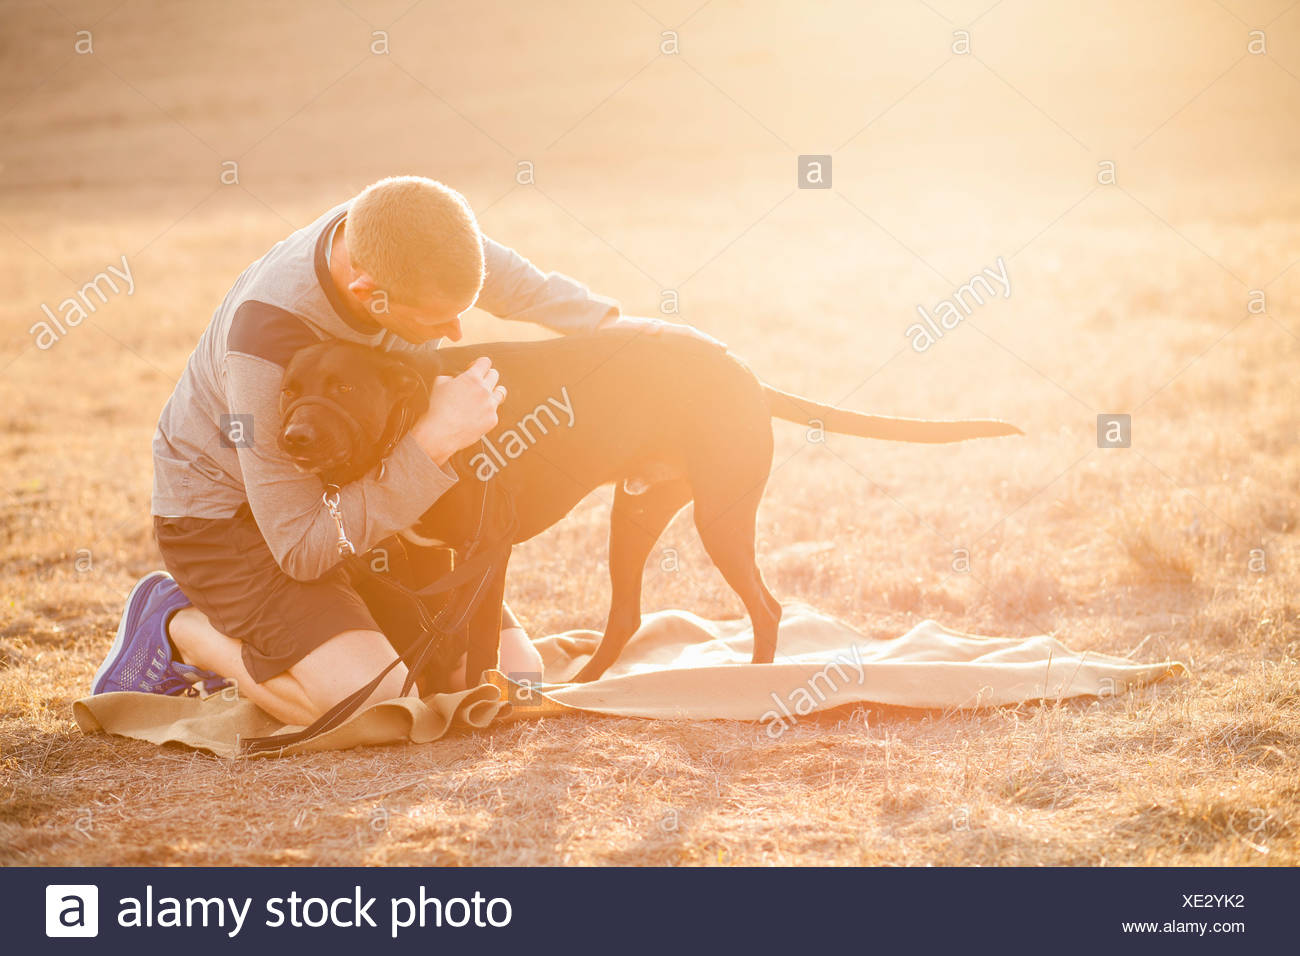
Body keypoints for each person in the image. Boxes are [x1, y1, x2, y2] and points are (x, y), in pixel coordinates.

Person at [91, 175, 721, 726]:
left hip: (355, 496)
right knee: (379, 702)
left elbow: (513, 285)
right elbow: (302, 547)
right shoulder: (266, 345)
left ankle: (320, 635)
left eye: (461, 313)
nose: (454, 333)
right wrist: (434, 439)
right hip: (238, 521)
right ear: (370, 294)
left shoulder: (404, 233)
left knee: (511, 676)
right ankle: (177, 627)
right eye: (436, 321)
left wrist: (629, 331)